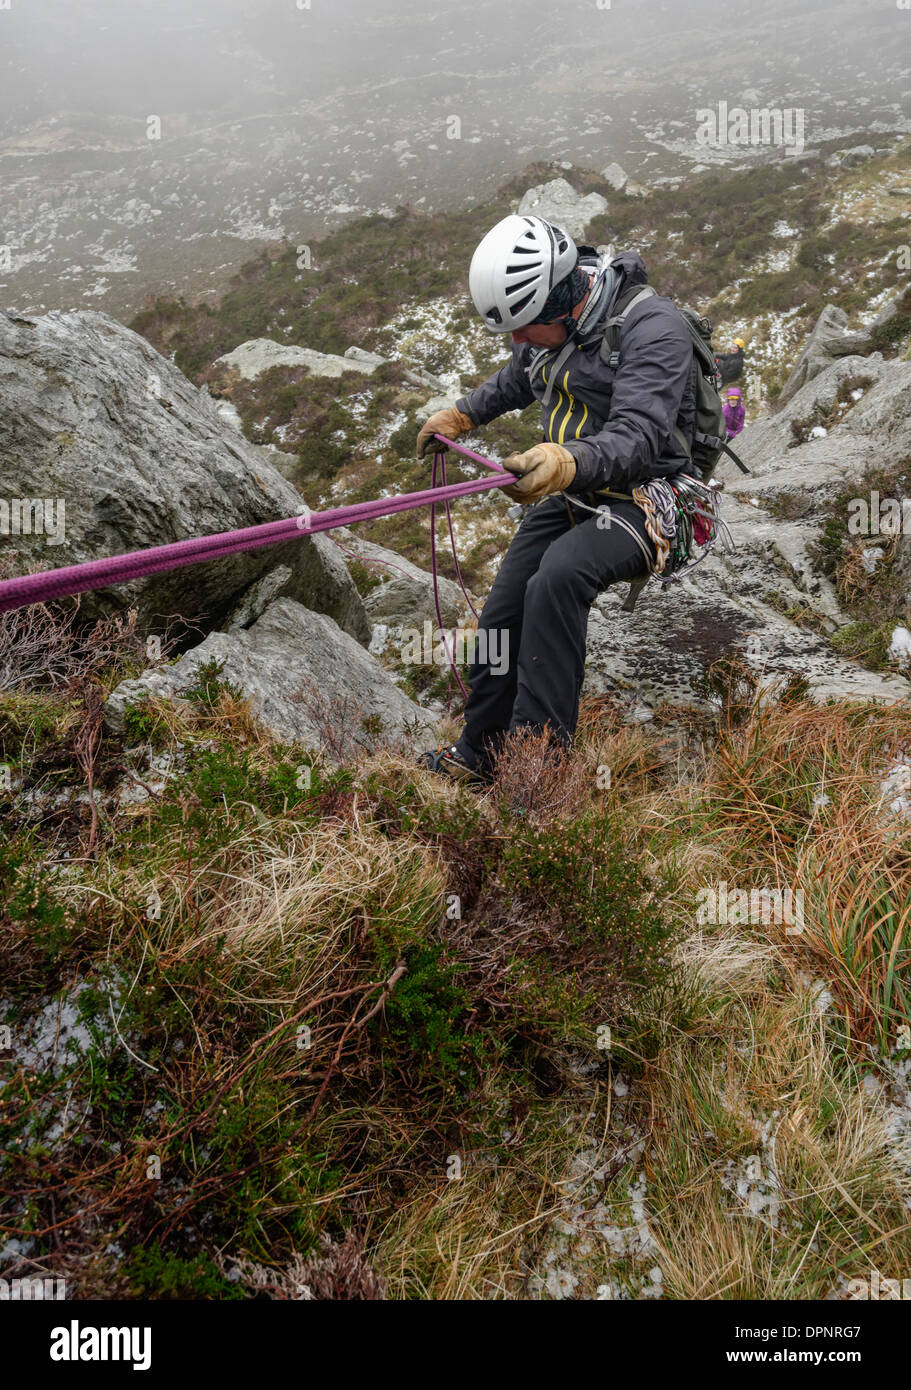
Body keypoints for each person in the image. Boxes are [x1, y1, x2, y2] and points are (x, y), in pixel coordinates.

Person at [415, 213, 695, 785]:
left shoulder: (653, 329)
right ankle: (479, 751)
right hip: (577, 488)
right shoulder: (554, 326)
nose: (517, 340)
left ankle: (534, 769)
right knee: (501, 613)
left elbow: (640, 437)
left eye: (526, 325)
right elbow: (521, 372)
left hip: (651, 497)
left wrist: (567, 461)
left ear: (565, 303)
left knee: (557, 580)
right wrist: (466, 413)